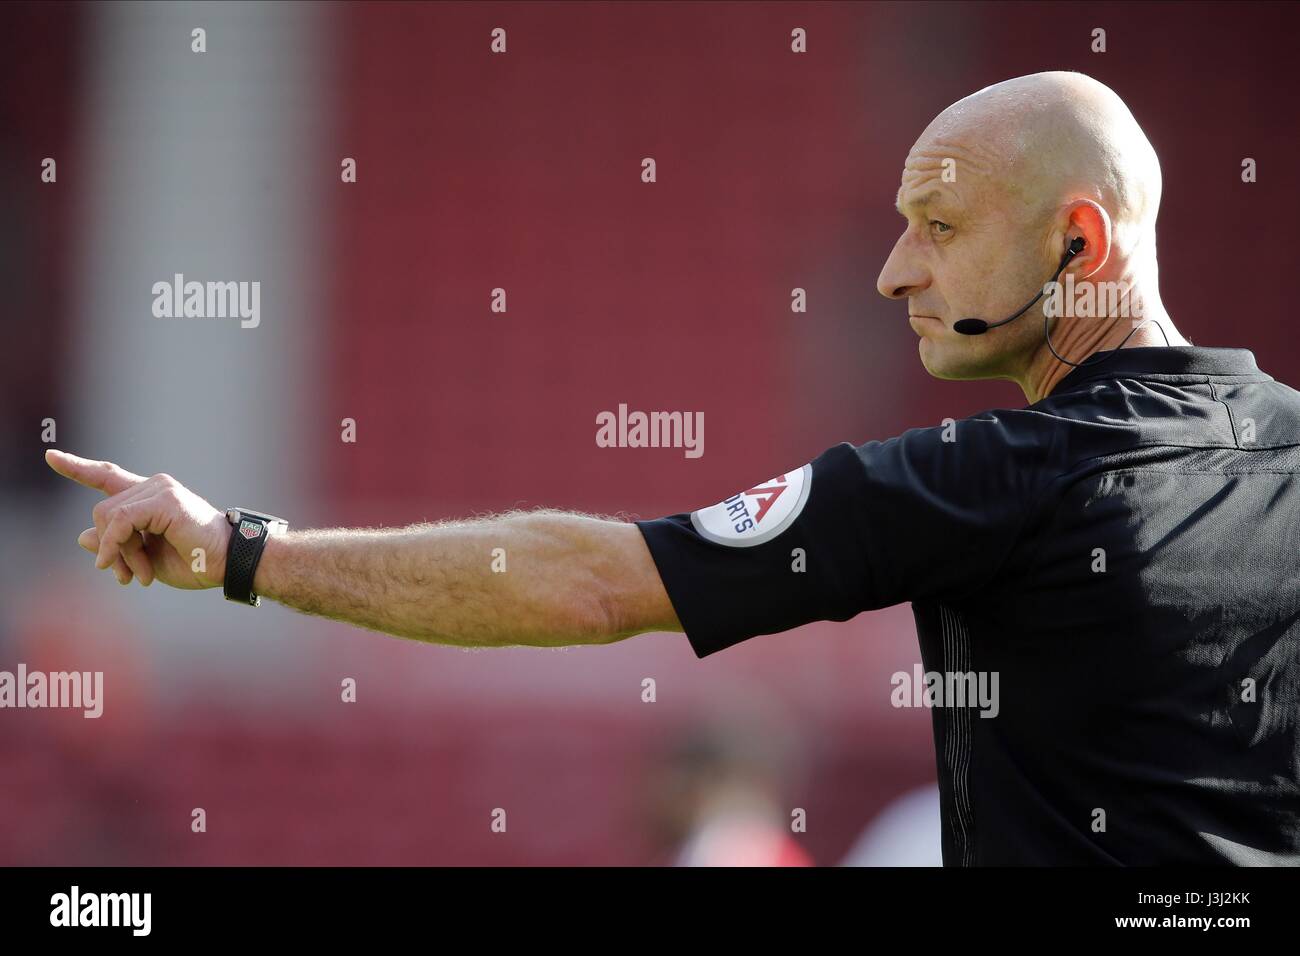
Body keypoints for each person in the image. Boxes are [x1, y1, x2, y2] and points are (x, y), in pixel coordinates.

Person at [48, 72, 1300, 865]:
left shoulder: (996, 475)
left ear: (1075, 238)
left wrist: (242, 551)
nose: (893, 272)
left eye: (940, 225)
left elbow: (592, 583)